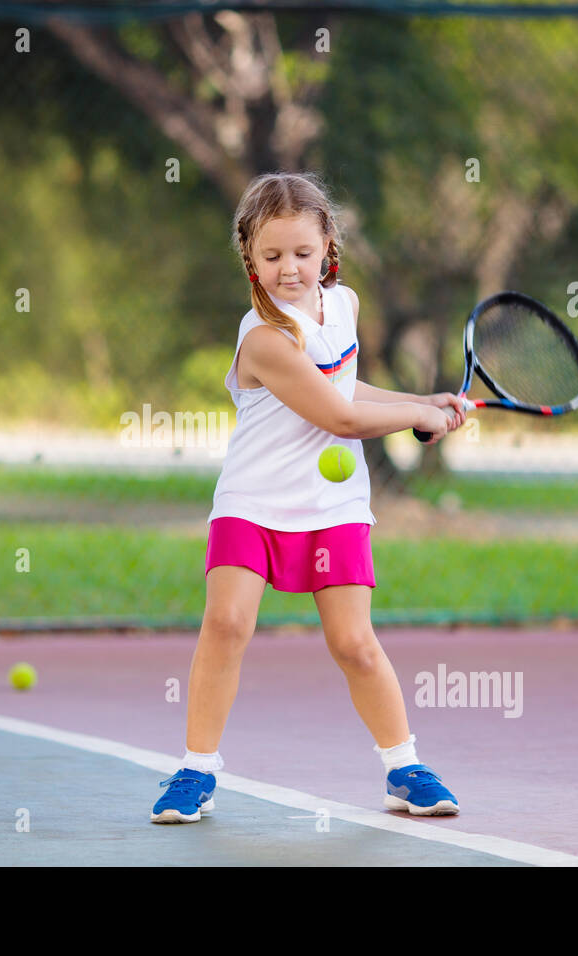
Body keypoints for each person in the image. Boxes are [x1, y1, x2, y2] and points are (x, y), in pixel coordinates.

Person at [151, 171, 467, 824]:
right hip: (252, 503)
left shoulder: (342, 306)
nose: (289, 268)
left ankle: (404, 768)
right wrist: (418, 416)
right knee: (227, 625)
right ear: (250, 261)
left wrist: (421, 404)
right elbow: (340, 420)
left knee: (353, 642)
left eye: (302, 253)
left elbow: (347, 387)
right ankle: (196, 769)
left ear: (328, 248)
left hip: (333, 507)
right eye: (272, 257)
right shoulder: (263, 338)